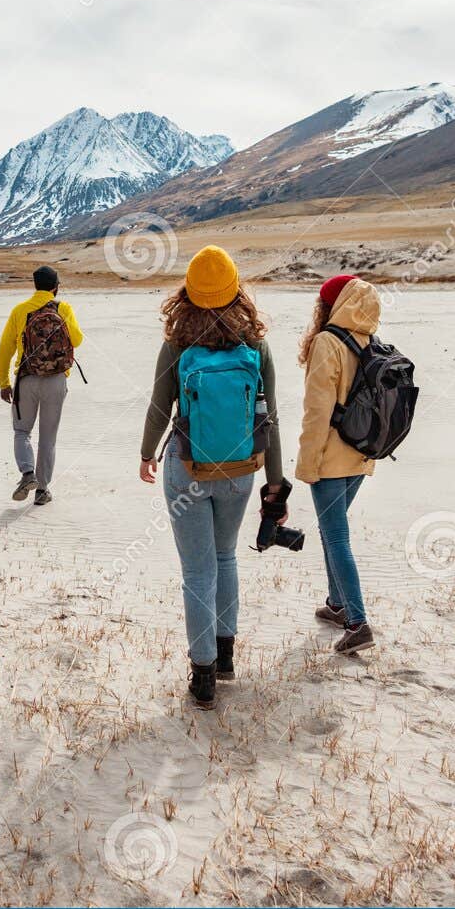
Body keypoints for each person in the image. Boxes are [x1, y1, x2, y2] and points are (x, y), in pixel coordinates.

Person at [139, 246, 287, 709]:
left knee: (196, 570)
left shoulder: (177, 344)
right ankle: (224, 658)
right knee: (225, 558)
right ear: (236, 290)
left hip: (187, 468)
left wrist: (147, 453)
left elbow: (161, 407)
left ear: (188, 293)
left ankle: (202, 675)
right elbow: (271, 419)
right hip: (241, 470)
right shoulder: (256, 346)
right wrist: (275, 481)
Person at [297, 274, 379, 655]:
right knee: (335, 530)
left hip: (331, 458)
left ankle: (358, 622)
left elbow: (317, 412)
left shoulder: (327, 342)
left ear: (327, 306)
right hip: (360, 455)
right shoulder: (368, 340)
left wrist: (306, 465)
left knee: (336, 536)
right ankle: (337, 605)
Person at [0, 265, 83, 506]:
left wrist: (3, 382)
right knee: (48, 438)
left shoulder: (20, 310)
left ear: (35, 285)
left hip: (26, 379)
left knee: (22, 432)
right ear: (56, 286)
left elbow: (5, 350)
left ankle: (27, 474)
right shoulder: (63, 308)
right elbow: (77, 339)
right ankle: (42, 491)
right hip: (56, 380)